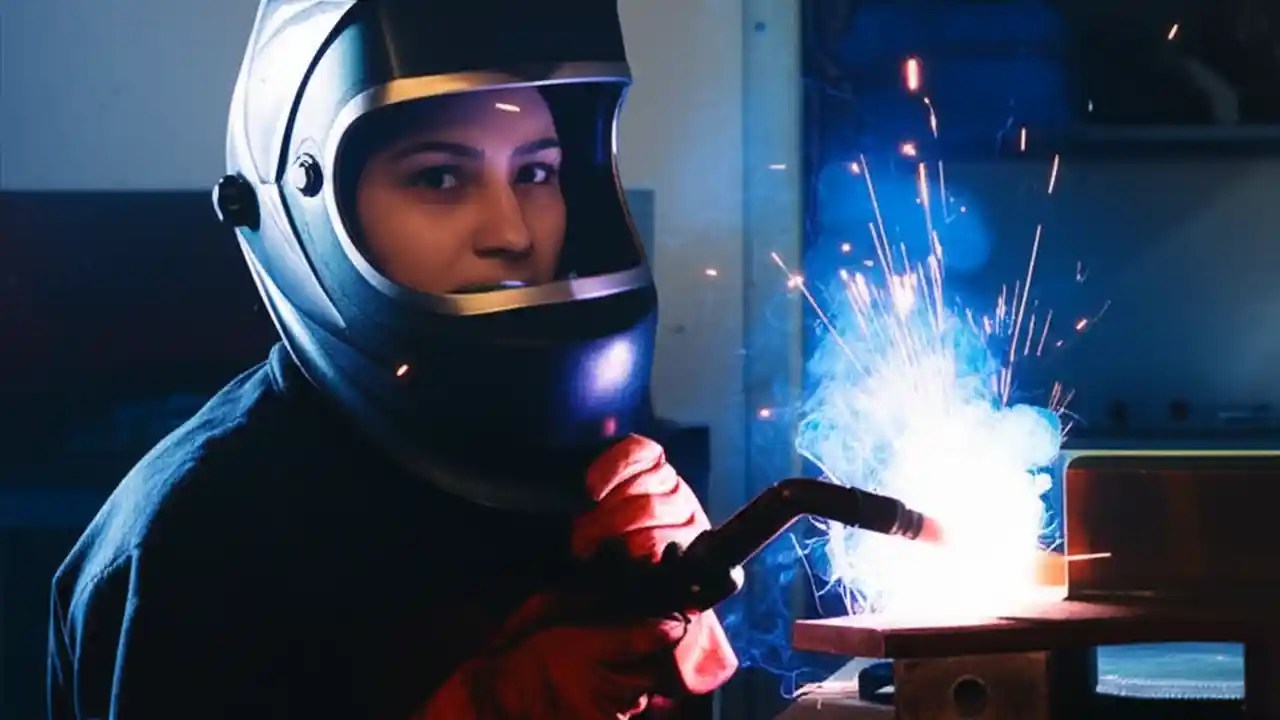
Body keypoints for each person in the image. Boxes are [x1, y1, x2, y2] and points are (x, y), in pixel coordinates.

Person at [45, 0, 738, 717]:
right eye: (439, 178)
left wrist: (661, 612)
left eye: (536, 173)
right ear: (310, 205)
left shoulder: (581, 469)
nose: (512, 233)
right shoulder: (199, 541)